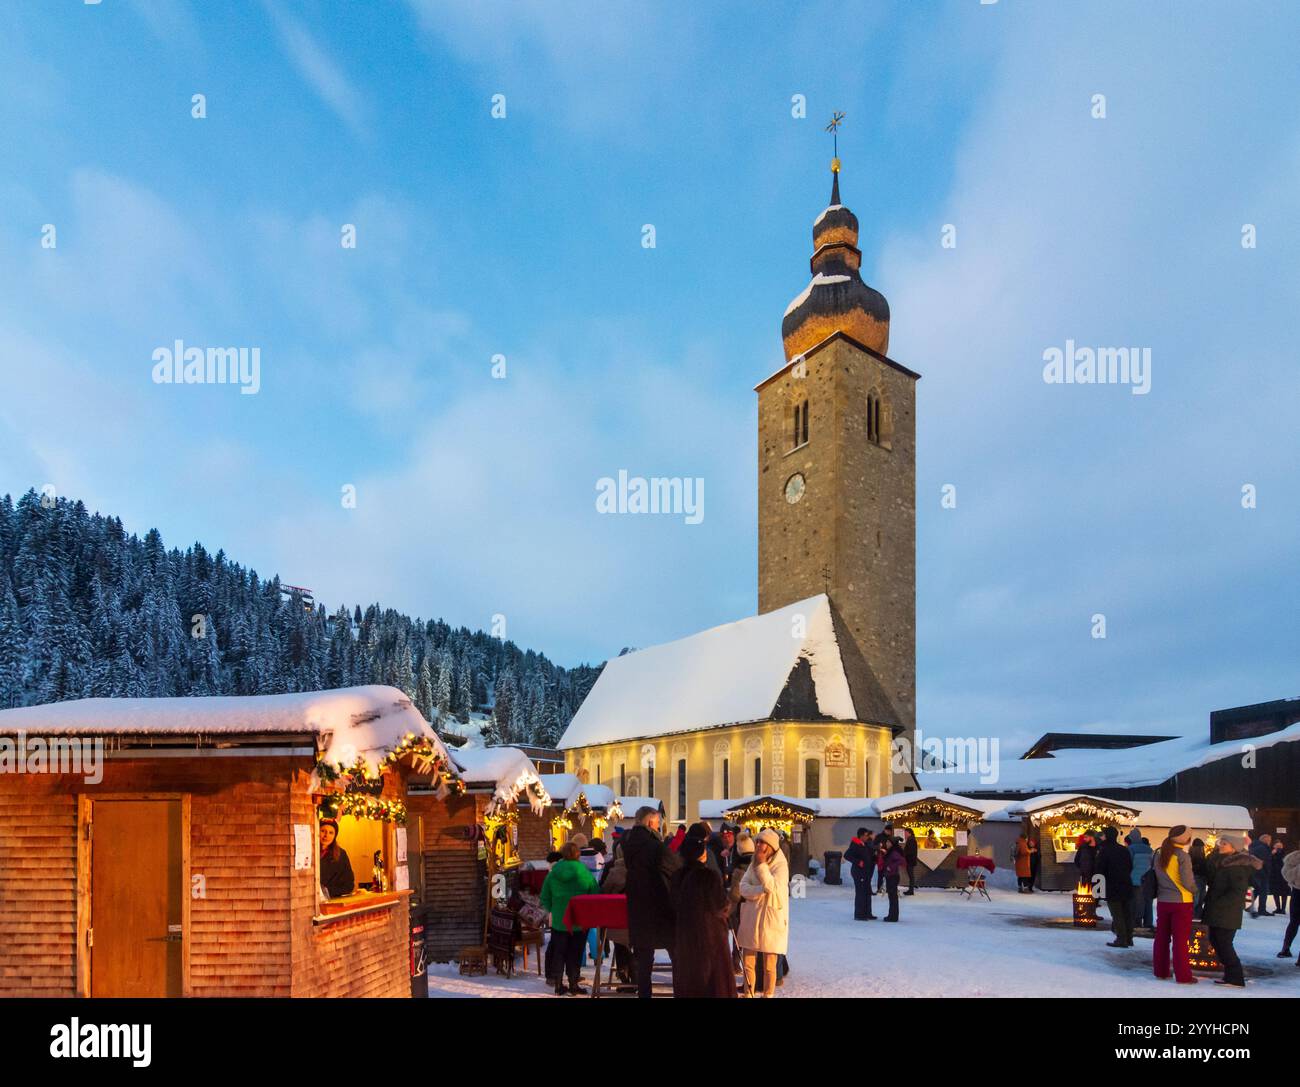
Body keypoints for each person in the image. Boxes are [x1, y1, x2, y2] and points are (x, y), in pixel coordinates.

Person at [622, 805, 681, 999]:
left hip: (638, 910)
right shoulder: (655, 847)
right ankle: (681, 993)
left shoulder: (627, 844)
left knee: (644, 963)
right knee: (677, 956)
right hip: (660, 908)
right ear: (649, 823)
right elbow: (675, 869)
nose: (658, 827)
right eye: (657, 823)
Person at [669, 831, 736, 998]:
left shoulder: (677, 876)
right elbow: (720, 904)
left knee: (689, 979)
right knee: (713, 982)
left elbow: (673, 903)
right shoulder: (709, 876)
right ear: (700, 854)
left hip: (685, 936)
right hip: (710, 936)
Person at [539, 840, 599, 996]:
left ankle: (558, 985)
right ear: (577, 854)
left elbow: (544, 896)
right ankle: (573, 984)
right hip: (579, 920)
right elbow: (595, 893)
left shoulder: (554, 872)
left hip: (560, 920)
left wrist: (554, 909)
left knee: (559, 952)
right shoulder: (583, 871)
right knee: (575, 952)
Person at [1202, 834, 1263, 987]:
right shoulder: (1222, 862)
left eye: (1224, 843)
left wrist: (1219, 902)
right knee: (1216, 942)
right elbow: (1210, 875)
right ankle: (1230, 976)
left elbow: (1237, 891)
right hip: (1217, 909)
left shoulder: (1237, 867)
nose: (1220, 845)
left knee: (1224, 944)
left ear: (1234, 847)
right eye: (1220, 843)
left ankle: (1236, 977)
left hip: (1227, 912)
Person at [737, 829, 789, 997]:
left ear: (771, 846)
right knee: (748, 963)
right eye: (757, 841)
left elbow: (772, 887)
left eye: (762, 842)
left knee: (769, 965)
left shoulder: (780, 865)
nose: (758, 845)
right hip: (751, 917)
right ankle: (748, 993)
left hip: (771, 919)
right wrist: (759, 891)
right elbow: (742, 888)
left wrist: (761, 865)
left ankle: (768, 995)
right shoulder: (753, 863)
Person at [1152, 825, 1197, 984]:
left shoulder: (1159, 854)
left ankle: (1161, 971)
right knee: (1180, 941)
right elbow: (1187, 881)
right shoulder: (1183, 856)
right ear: (1186, 839)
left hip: (1163, 901)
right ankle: (1184, 976)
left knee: (1161, 938)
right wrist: (1195, 890)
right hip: (1182, 902)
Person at [1096, 826, 1135, 947]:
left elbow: (1100, 869)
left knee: (1117, 913)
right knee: (1126, 912)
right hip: (1126, 884)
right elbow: (1130, 866)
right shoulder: (1123, 850)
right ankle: (1129, 938)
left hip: (1112, 885)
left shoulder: (1104, 850)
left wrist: (1098, 885)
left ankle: (1121, 939)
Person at [728, 833, 755, 971]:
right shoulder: (758, 865)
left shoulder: (739, 869)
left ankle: (736, 963)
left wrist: (727, 911)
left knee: (738, 937)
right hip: (755, 908)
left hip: (741, 909)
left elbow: (735, 895)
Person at [844, 828, 877, 920]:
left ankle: (867, 913)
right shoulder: (855, 844)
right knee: (860, 893)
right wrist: (858, 862)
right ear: (861, 836)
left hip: (865, 871)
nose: (868, 837)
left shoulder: (864, 845)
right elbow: (847, 855)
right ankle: (859, 914)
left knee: (867, 892)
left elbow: (868, 855)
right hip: (859, 872)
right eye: (866, 835)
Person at [319, 819, 355, 899]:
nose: (326, 835)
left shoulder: (341, 854)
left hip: (331, 901)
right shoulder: (308, 851)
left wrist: (326, 891)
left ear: (335, 835)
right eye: (323, 831)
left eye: (331, 833)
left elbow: (349, 885)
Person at [1128, 829, 1154, 929]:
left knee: (1136, 902)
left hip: (1135, 879)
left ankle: (1137, 921)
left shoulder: (1131, 849)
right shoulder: (1149, 849)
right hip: (1148, 880)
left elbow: (1128, 864)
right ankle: (1148, 922)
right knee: (1148, 901)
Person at [1278, 847, 1300, 964]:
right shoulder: (1294, 857)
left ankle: (1286, 949)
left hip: (1296, 892)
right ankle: (1285, 948)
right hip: (1297, 892)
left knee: (1294, 922)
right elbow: (1286, 874)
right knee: (1294, 922)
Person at [881, 836, 906, 922]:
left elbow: (902, 861)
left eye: (889, 842)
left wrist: (890, 867)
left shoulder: (894, 852)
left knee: (893, 897)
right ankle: (892, 915)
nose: (887, 844)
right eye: (886, 842)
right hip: (891, 876)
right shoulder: (891, 851)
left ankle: (893, 916)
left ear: (893, 844)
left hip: (893, 876)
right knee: (892, 897)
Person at [1248, 833, 1272, 918]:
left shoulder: (1254, 846)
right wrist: (1265, 871)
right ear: (1265, 840)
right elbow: (1264, 861)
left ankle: (1248, 906)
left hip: (1254, 872)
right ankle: (1262, 910)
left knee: (1257, 889)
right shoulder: (1263, 848)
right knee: (1263, 891)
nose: (1270, 842)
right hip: (1261, 872)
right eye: (1269, 840)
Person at [1190, 838, 1208, 920]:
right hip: (1198, 879)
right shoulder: (1200, 857)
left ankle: (1195, 916)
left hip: (1198, 879)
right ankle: (1195, 916)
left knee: (1197, 900)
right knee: (1197, 900)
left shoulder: (1190, 855)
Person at [1269, 840, 1289, 915]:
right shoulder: (1271, 853)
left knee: (1284, 893)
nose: (1279, 848)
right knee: (1275, 893)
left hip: (1283, 876)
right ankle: (1278, 908)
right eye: (1277, 846)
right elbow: (1269, 862)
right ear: (1274, 846)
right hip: (1274, 876)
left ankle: (1283, 909)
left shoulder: (1285, 853)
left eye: (1280, 846)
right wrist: (1271, 854)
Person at [902, 827, 919, 895]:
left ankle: (911, 890)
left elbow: (910, 851)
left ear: (909, 833)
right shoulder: (911, 839)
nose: (904, 834)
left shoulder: (911, 840)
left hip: (910, 860)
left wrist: (904, 854)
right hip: (910, 860)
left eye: (905, 833)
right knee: (911, 875)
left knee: (911, 875)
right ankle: (910, 889)